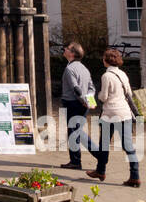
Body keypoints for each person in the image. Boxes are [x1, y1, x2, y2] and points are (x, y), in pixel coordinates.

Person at [89, 48, 141, 187]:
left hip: (110, 114)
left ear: (106, 61)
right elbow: (129, 92)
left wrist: (97, 96)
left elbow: (104, 97)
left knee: (104, 144)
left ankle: (101, 171)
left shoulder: (106, 76)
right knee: (128, 146)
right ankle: (135, 176)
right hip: (125, 113)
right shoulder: (123, 74)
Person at [59, 40, 97, 170]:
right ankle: (76, 161)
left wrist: (84, 101)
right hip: (82, 105)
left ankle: (97, 155)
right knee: (76, 132)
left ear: (72, 53)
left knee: (74, 133)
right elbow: (91, 87)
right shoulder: (84, 68)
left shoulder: (70, 69)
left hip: (73, 104)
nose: (65, 49)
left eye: (67, 48)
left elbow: (76, 89)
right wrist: (90, 102)